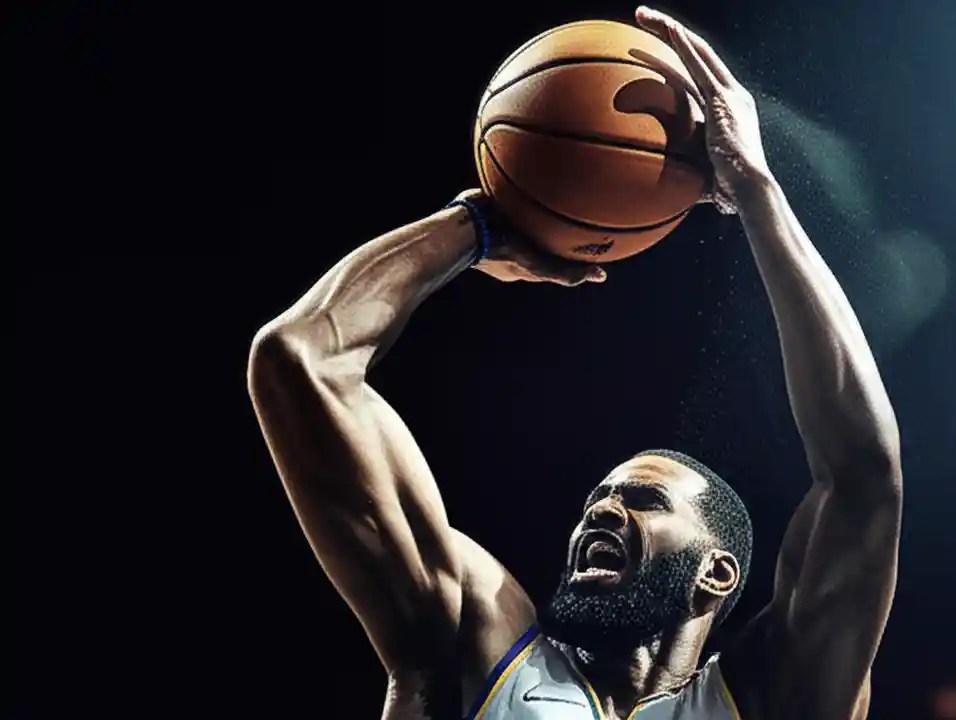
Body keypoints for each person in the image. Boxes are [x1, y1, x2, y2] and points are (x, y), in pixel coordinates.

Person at [247, 6, 902, 719]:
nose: (605, 510)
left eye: (644, 501)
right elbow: (302, 359)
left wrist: (755, 191)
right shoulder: (474, 647)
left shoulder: (775, 696)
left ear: (716, 573)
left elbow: (864, 475)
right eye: (601, 500)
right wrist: (476, 227)